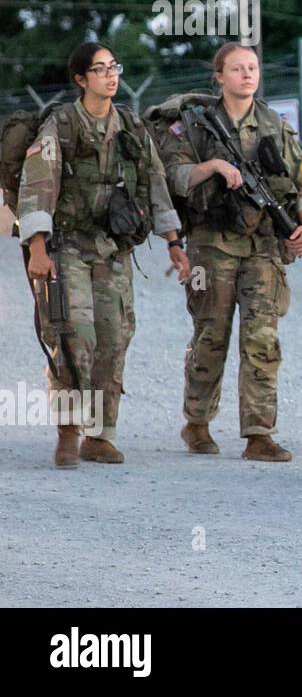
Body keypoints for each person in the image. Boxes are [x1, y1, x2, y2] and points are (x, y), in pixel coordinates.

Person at [18, 42, 189, 467]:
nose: (111, 75)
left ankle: (100, 434)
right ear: (80, 79)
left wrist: (173, 242)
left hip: (112, 248)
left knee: (114, 337)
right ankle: (68, 430)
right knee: (74, 334)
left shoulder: (130, 125)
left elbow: (155, 182)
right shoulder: (61, 125)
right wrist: (37, 248)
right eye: (100, 69)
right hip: (65, 247)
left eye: (114, 67)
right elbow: (38, 184)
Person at [155, 43, 302, 462]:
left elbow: (299, 181)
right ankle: (197, 421)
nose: (247, 75)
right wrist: (212, 167)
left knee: (262, 337)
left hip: (263, 244)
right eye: (237, 68)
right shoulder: (195, 125)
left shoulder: (275, 125)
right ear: (219, 76)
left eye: (253, 67)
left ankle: (259, 433)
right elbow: (171, 176)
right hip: (212, 243)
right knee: (212, 333)